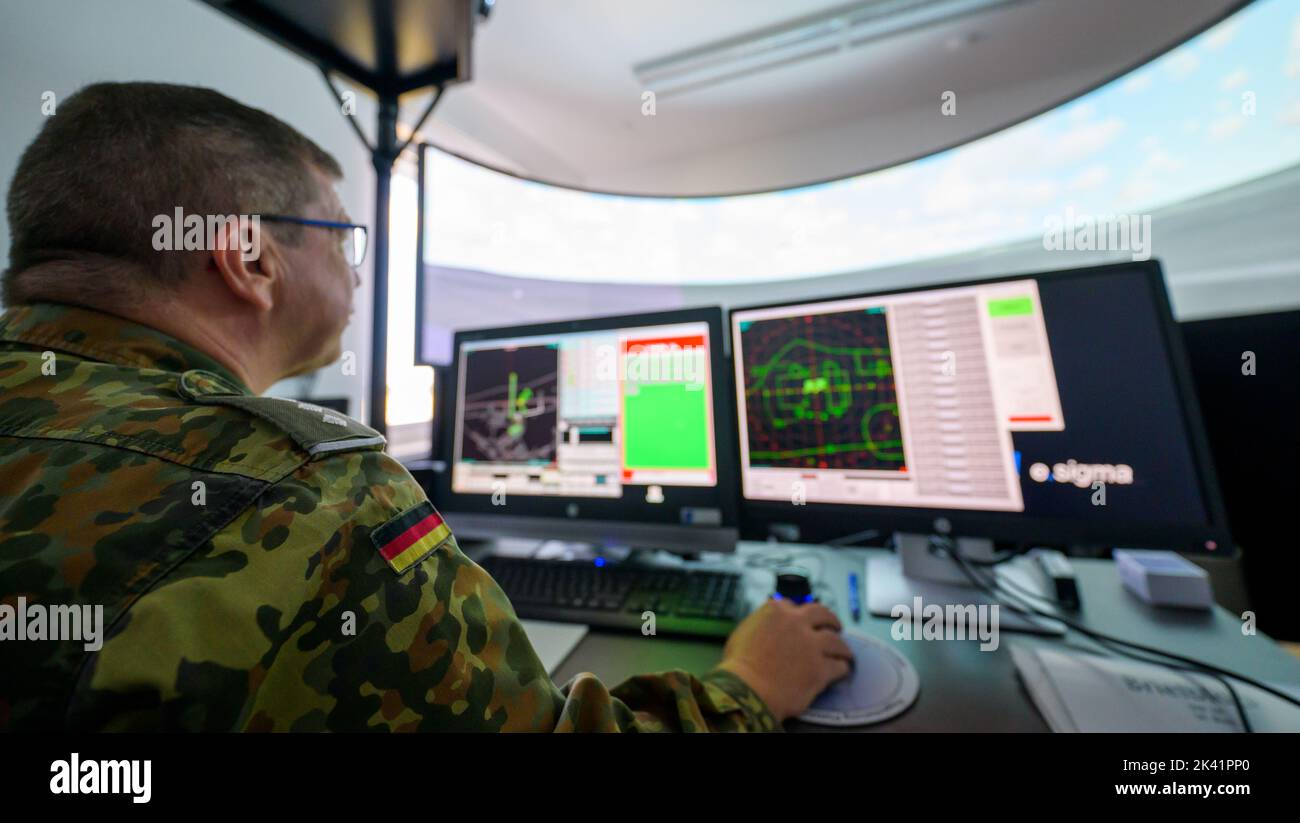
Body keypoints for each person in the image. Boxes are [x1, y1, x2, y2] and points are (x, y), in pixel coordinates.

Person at [0, 82, 852, 731]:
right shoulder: (317, 498)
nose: (359, 269)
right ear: (250, 262)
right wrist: (751, 687)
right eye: (343, 235)